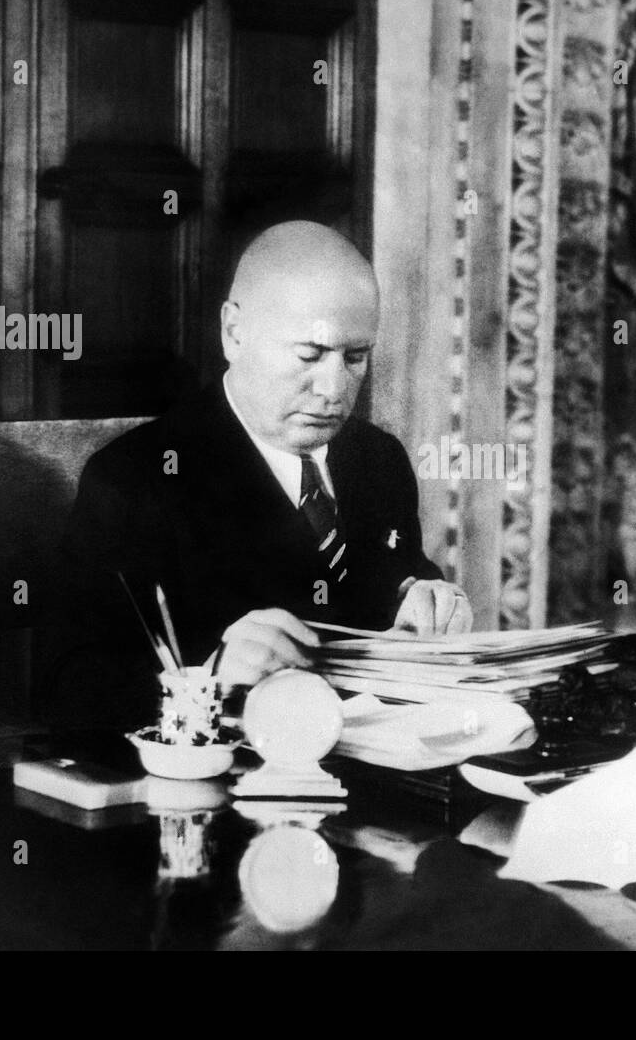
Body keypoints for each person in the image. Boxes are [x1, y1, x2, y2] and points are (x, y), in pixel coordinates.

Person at [41, 221, 471, 730]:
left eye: (355, 358)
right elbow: (64, 687)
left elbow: (395, 580)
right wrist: (210, 679)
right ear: (234, 333)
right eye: (309, 355)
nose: (334, 389)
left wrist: (426, 598)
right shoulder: (136, 478)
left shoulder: (378, 460)